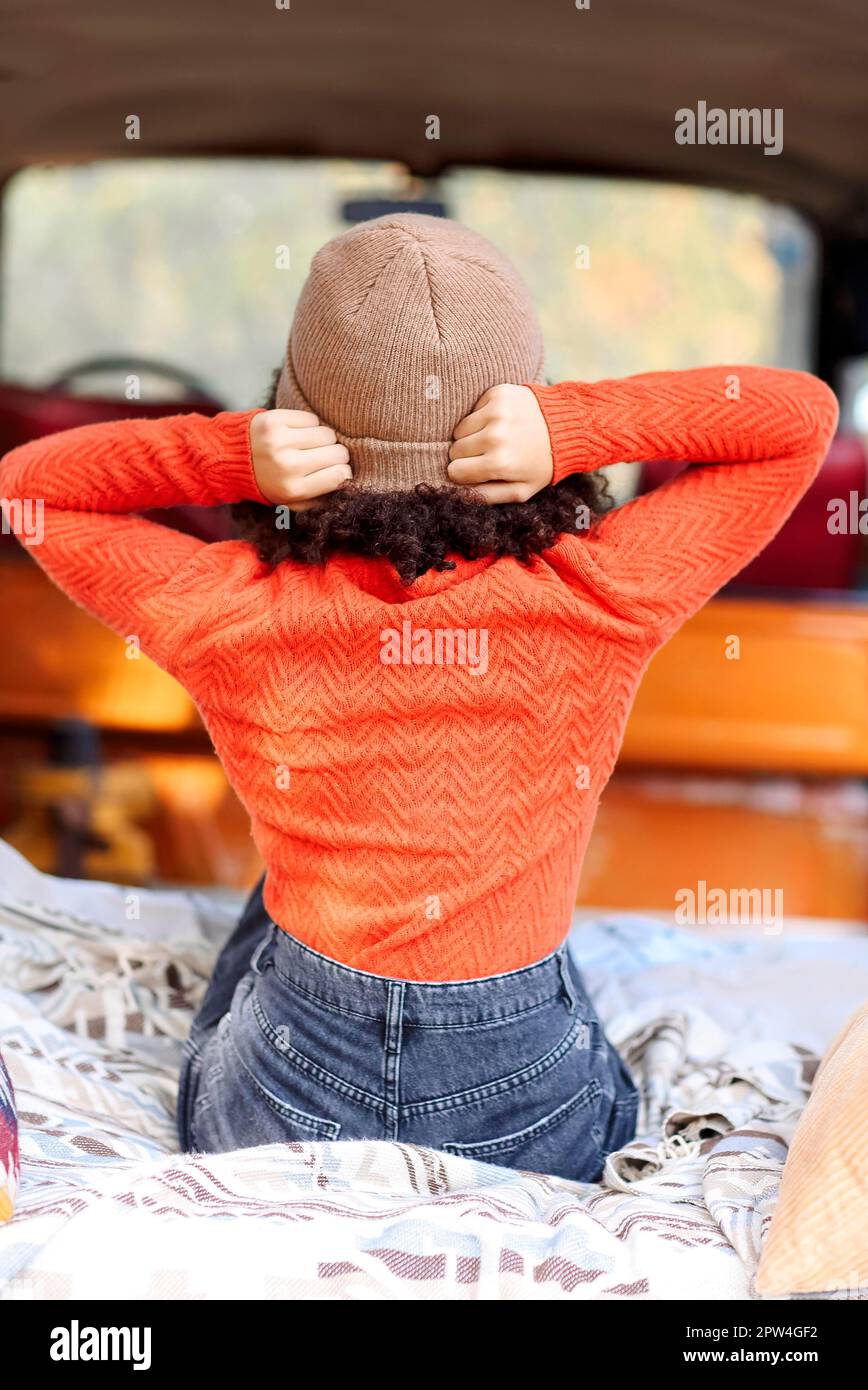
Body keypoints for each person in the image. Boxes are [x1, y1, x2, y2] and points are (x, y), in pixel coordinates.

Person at [0, 214, 838, 1181]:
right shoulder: (605, 590)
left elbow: (30, 487)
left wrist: (234, 452)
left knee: (279, 912)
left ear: (294, 416)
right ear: (516, 413)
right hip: (535, 1115)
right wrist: (572, 430)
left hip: (280, 1106)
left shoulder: (223, 607)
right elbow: (795, 418)